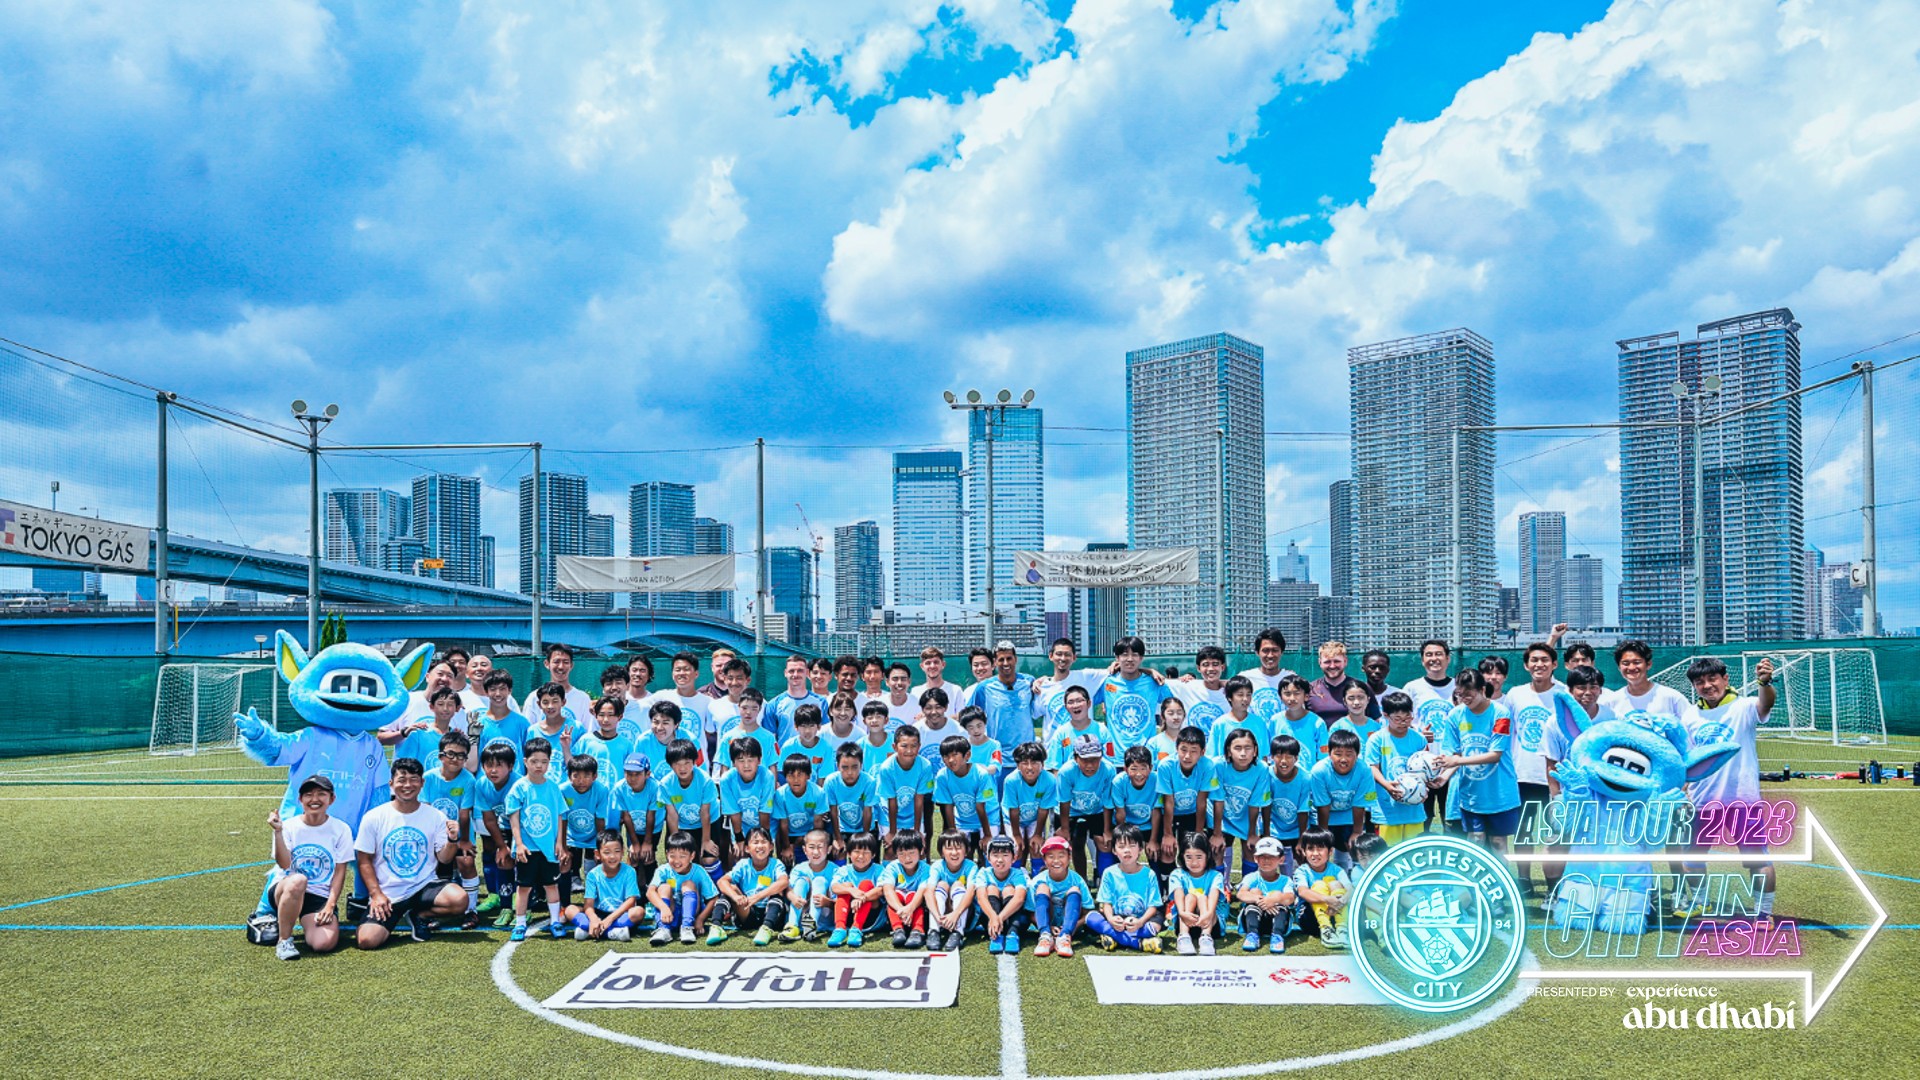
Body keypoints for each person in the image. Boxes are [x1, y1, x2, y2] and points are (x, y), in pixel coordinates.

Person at [1677, 656, 1777, 918]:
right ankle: (1701, 902)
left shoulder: (1743, 707)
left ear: (1725, 679)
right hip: (1702, 801)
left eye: (1712, 679)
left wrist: (1765, 683)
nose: (1707, 686)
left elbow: (1766, 704)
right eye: (1700, 682)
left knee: (1758, 861)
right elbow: (1689, 757)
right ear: (1694, 686)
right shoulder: (1689, 715)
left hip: (1742, 800)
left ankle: (1763, 914)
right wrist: (1683, 789)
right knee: (1691, 858)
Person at [354, 757, 466, 949]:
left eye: (414, 779)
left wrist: (453, 840)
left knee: (459, 899)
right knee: (367, 940)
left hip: (424, 886)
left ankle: (419, 915)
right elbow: (364, 860)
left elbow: (444, 858)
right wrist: (377, 894)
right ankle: (394, 914)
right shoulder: (374, 817)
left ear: (422, 783)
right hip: (389, 893)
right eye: (401, 780)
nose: (408, 785)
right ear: (391, 784)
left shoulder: (435, 816)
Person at [266, 775, 353, 959]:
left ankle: (297, 920)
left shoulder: (341, 829)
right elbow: (284, 864)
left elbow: (339, 872)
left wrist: (330, 906)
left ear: (332, 799)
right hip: (287, 888)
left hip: (318, 895)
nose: (314, 799)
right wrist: (278, 832)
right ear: (300, 800)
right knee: (298, 880)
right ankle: (284, 941)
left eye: (321, 794)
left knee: (323, 944)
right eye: (308, 795)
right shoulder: (289, 826)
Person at [1435, 669, 1519, 856]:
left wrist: (1456, 760)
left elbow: (1495, 754)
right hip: (1471, 794)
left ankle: (1501, 882)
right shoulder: (1455, 716)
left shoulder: (1501, 713)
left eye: (1469, 694)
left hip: (1499, 792)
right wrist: (1443, 778)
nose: (1465, 698)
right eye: (1460, 694)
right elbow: (1453, 755)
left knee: (1498, 842)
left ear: (1482, 689)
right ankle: (1473, 885)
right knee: (1475, 839)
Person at [1504, 642, 1565, 895]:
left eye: (1544, 660)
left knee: (1557, 834)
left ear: (1554, 665)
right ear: (1526, 665)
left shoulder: (1564, 693)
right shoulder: (1515, 694)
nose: (1539, 664)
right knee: (1524, 832)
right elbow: (1507, 732)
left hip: (1557, 777)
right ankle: (1524, 880)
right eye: (1534, 660)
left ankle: (1557, 883)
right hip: (1523, 774)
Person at [505, 737, 570, 942]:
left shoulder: (553, 787)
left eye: (543, 761)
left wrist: (559, 843)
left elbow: (560, 815)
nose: (539, 766)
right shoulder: (519, 788)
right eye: (534, 761)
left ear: (549, 762)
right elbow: (514, 819)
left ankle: (554, 921)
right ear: (525, 761)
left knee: (551, 886)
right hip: (528, 849)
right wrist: (519, 844)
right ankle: (520, 923)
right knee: (524, 887)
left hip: (549, 848)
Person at [419, 731, 480, 926]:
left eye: (461, 755)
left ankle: (471, 910)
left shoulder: (468, 779)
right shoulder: (428, 778)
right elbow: (425, 811)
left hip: (461, 834)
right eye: (451, 754)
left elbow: (464, 813)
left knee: (466, 861)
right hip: (435, 834)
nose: (455, 759)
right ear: (441, 756)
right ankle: (435, 910)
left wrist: (463, 841)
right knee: (436, 868)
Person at [1365, 692, 1432, 847]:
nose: (1403, 723)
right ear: (1385, 715)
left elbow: (1425, 769)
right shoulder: (1376, 739)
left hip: (1414, 810)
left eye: (1408, 718)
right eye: (1398, 719)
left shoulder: (1418, 739)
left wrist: (1425, 788)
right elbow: (1372, 767)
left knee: (1413, 852)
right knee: (1387, 853)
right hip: (1387, 809)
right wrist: (1387, 786)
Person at [1088, 825, 1163, 953]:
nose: (1127, 850)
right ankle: (1138, 943)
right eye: (1121, 846)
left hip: (1141, 919)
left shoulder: (1149, 874)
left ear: (1140, 848)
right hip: (1118, 919)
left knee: (1155, 925)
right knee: (1090, 917)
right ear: (1114, 850)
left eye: (1132, 846)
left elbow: (1153, 906)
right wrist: (1111, 919)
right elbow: (1106, 903)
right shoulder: (1109, 873)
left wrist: (1140, 922)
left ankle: (1113, 937)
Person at [711, 826, 790, 946]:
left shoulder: (776, 864)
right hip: (747, 912)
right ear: (747, 848)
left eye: (764, 842)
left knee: (777, 891)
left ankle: (766, 929)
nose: (760, 846)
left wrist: (757, 897)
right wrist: (736, 897)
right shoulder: (743, 864)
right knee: (730, 888)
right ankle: (716, 926)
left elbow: (784, 882)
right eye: (755, 842)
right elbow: (722, 881)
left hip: (772, 913)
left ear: (771, 847)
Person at [1154, 726, 1217, 873]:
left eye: (1194, 751)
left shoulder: (1207, 766)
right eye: (1183, 750)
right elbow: (1168, 802)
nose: (1187, 756)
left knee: (1193, 849)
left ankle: (1191, 883)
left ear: (1202, 752)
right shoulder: (1166, 766)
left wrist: (1199, 832)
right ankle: (1166, 887)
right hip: (1168, 813)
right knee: (1168, 850)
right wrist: (1168, 834)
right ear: (1176, 748)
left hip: (1192, 813)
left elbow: (1202, 801)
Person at [1212, 727, 1273, 877]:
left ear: (1255, 750)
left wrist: (1252, 833)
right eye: (1237, 748)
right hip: (1221, 817)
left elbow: (1255, 803)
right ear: (1228, 750)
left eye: (1248, 748)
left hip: (1245, 816)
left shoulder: (1261, 769)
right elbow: (1218, 801)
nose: (1243, 753)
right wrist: (1217, 833)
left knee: (1251, 848)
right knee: (1217, 849)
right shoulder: (1218, 766)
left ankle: (1248, 887)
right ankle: (1221, 889)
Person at [1308, 728, 1373, 862]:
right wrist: (1324, 834)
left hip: (1349, 815)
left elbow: (1359, 804)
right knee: (1322, 847)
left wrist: (1356, 832)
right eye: (1338, 754)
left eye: (1349, 754)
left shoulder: (1364, 770)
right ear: (1329, 754)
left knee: (1350, 846)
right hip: (1325, 816)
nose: (1343, 759)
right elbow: (1323, 806)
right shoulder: (1319, 771)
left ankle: (1347, 870)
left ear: (1357, 755)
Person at [657, 738, 720, 872]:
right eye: (677, 764)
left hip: (708, 823)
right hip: (683, 825)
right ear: (670, 764)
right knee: (679, 859)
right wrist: (676, 843)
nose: (683, 768)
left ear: (694, 762)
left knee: (708, 858)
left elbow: (705, 813)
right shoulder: (665, 784)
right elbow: (672, 815)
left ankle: (714, 887)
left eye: (687, 763)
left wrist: (706, 840)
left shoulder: (705, 781)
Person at [1056, 735, 1115, 879]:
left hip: (1098, 809)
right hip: (1072, 811)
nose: (1090, 765)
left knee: (1104, 842)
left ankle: (1103, 880)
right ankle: (1082, 882)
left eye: (1095, 760)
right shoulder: (1066, 772)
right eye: (1085, 760)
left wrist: (1107, 830)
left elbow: (1108, 802)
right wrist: (1065, 828)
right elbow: (1064, 802)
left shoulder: (1108, 770)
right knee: (1075, 841)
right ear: (1076, 758)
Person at [647, 830, 719, 946]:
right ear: (666, 854)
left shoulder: (698, 871)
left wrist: (700, 919)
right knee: (664, 887)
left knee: (688, 884)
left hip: (692, 917)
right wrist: (663, 907)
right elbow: (650, 892)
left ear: (692, 856)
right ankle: (663, 929)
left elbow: (713, 898)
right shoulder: (663, 870)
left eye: (682, 856)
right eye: (672, 856)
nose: (677, 861)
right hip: (669, 915)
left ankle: (686, 928)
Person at [566, 830, 640, 941]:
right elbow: (588, 905)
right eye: (607, 852)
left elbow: (631, 901)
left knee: (638, 912)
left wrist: (609, 919)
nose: (612, 856)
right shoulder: (593, 874)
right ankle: (612, 932)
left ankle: (590, 931)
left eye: (617, 851)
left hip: (619, 914)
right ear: (597, 854)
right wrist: (594, 919)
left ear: (623, 852)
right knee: (569, 910)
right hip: (598, 913)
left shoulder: (629, 871)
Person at [1602, 640, 1697, 727]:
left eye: (1637, 662)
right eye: (1626, 663)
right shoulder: (1611, 702)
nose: (1631, 667)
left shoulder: (1672, 697)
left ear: (1648, 664)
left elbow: (1691, 727)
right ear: (1619, 667)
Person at [933, 734, 1000, 853]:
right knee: (959, 853)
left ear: (967, 755)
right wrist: (953, 832)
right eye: (946, 756)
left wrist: (987, 834)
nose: (951, 760)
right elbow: (947, 805)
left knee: (990, 851)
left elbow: (981, 806)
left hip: (988, 817)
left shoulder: (980, 774)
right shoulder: (942, 776)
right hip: (963, 820)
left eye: (955, 755)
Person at [1031, 638, 1107, 743]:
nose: (1063, 658)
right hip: (1053, 751)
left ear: (1074, 658)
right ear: (1050, 656)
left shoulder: (1086, 677)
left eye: (1067, 654)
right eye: (1059, 654)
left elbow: (1113, 672)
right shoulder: (1042, 687)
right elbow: (1034, 714)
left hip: (1083, 750)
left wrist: (1113, 665)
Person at [972, 642, 1035, 768]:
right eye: (1001, 659)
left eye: (1009, 658)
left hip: (1027, 757)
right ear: (995, 662)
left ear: (1015, 659)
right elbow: (973, 718)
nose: (1006, 663)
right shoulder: (984, 688)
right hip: (997, 759)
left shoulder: (1029, 682)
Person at [1100, 636, 1169, 751]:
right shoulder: (1106, 682)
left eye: (1135, 654)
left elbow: (1177, 700)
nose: (1130, 659)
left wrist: (1185, 679)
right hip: (1115, 756)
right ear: (1117, 658)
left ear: (1141, 658)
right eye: (1125, 654)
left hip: (1146, 756)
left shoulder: (1154, 682)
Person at [1030, 834, 1092, 958]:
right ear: (1044, 860)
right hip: (1049, 923)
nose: (1056, 860)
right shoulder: (1037, 881)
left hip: (1071, 924)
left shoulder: (1077, 880)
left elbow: (1088, 913)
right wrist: (1049, 927)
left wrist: (1074, 926)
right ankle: (1045, 936)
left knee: (1074, 889)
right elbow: (1030, 913)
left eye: (1061, 856)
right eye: (1051, 856)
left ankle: (1065, 937)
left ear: (1069, 857)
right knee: (1042, 888)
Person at [1000, 741, 1056, 873]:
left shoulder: (1049, 780)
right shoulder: (1011, 780)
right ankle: (1017, 877)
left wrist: (1037, 834)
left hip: (1034, 818)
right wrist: (1017, 835)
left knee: (1036, 847)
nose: (1030, 767)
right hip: (1013, 820)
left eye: (1035, 763)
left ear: (1042, 764)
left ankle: (1037, 878)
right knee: (1017, 848)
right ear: (1018, 765)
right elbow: (1013, 810)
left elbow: (1044, 810)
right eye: (1025, 763)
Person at [1291, 826, 1351, 948]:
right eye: (1310, 849)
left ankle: (1342, 930)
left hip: (1335, 912)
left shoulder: (1337, 869)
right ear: (1304, 852)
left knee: (1335, 884)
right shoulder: (1302, 871)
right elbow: (1303, 892)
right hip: (1310, 918)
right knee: (1319, 885)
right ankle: (1326, 930)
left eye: (1320, 848)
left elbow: (1351, 889)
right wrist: (1327, 899)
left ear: (1330, 851)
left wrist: (1339, 902)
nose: (1315, 853)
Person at [874, 725, 933, 848]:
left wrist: (916, 831)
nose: (909, 750)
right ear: (894, 747)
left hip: (912, 815)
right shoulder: (886, 768)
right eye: (904, 746)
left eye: (914, 746)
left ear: (919, 746)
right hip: (888, 814)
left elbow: (919, 799)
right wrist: (892, 832)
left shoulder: (925, 765)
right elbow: (891, 800)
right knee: (891, 850)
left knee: (917, 848)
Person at [1236, 836, 1297, 954]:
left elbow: (1290, 898)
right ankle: (1252, 934)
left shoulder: (1285, 880)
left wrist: (1275, 899)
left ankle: (1277, 936)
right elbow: (1241, 894)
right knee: (1254, 893)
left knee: (1279, 896)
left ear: (1281, 859)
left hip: (1277, 920)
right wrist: (1260, 900)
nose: (1266, 860)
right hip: (1253, 918)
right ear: (1255, 858)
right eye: (1262, 857)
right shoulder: (1252, 877)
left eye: (1271, 857)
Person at [828, 831, 886, 948]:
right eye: (856, 852)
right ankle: (839, 928)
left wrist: (862, 897)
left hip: (871, 915)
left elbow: (881, 890)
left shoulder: (879, 870)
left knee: (866, 884)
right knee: (846, 886)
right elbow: (834, 887)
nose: (861, 856)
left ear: (873, 855)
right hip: (848, 913)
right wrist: (851, 891)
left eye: (866, 852)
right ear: (849, 854)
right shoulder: (844, 870)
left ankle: (856, 929)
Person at [718, 739, 776, 853]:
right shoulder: (726, 780)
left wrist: (764, 839)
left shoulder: (767, 776)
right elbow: (734, 812)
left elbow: (765, 811)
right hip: (741, 826)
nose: (746, 765)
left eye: (750, 760)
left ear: (759, 760)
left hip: (766, 825)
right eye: (740, 760)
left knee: (765, 854)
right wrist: (739, 838)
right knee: (738, 854)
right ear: (733, 762)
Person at [973, 834, 1029, 954]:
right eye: (995, 855)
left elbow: (1019, 898)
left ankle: (1012, 933)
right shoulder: (983, 873)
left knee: (1009, 889)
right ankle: (996, 935)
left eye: (1005, 855)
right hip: (990, 919)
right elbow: (981, 898)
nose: (1000, 859)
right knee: (992, 888)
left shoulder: (1018, 873)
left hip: (1014, 919)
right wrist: (993, 917)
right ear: (988, 858)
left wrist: (999, 918)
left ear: (1014, 858)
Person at [823, 742, 879, 857]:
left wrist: (864, 836)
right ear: (837, 766)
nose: (850, 772)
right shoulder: (831, 782)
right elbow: (833, 810)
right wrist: (837, 838)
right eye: (845, 767)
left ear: (861, 765)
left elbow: (867, 810)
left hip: (866, 827)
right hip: (843, 828)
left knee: (866, 854)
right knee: (839, 852)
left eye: (855, 767)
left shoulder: (869, 782)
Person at [1264, 734, 1311, 871]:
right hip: (1275, 828)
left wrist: (1302, 839)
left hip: (1297, 828)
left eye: (1289, 756)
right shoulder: (1267, 775)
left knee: (1301, 860)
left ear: (1296, 758)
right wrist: (1266, 833)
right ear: (1272, 757)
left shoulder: (1305, 778)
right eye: (1279, 756)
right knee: (1272, 861)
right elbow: (1266, 805)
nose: (1284, 761)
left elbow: (1303, 810)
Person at [614, 753, 660, 891]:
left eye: (637, 774)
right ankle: (633, 891)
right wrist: (634, 843)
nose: (633, 778)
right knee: (633, 855)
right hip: (633, 827)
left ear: (647, 774)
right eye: (629, 774)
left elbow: (650, 815)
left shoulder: (654, 787)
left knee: (647, 855)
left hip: (652, 829)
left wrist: (647, 842)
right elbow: (626, 816)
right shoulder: (619, 788)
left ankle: (653, 888)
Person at [783, 828, 838, 942]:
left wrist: (827, 902)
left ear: (829, 849)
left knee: (820, 881)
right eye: (812, 847)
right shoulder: (798, 869)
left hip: (825, 916)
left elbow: (840, 902)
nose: (816, 852)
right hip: (802, 913)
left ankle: (812, 925)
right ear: (804, 850)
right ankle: (792, 925)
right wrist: (792, 897)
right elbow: (788, 889)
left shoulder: (836, 871)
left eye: (820, 847)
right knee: (802, 881)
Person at [927, 830, 979, 950]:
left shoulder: (971, 866)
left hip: (962, 914)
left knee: (958, 885)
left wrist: (955, 914)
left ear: (966, 851)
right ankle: (934, 931)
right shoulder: (937, 866)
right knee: (942, 884)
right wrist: (937, 915)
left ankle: (957, 932)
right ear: (941, 852)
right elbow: (928, 892)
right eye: (949, 848)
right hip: (941, 915)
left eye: (959, 848)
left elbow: (971, 892)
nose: (954, 852)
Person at [879, 831, 932, 948]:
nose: (907, 858)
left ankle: (918, 930)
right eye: (901, 853)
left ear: (921, 851)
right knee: (896, 894)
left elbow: (922, 890)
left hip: (917, 908)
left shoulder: (926, 869)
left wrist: (910, 908)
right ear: (896, 853)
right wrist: (902, 911)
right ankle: (898, 929)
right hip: (899, 911)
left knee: (914, 895)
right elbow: (887, 890)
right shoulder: (892, 867)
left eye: (912, 853)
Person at [1166, 645, 1231, 737]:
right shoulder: (1186, 686)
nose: (1210, 669)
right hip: (1191, 750)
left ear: (1223, 667)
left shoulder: (1232, 692)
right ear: (1198, 668)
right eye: (1205, 664)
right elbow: (1154, 680)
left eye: (1215, 664)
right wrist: (1150, 671)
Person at [772, 753, 826, 862]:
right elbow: (783, 823)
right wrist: (787, 846)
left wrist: (812, 842)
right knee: (785, 857)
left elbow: (818, 822)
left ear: (808, 775)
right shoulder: (780, 795)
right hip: (789, 834)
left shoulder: (818, 793)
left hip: (810, 832)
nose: (795, 780)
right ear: (785, 776)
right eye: (791, 775)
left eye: (800, 774)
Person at [523, 644, 592, 727]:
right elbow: (528, 732)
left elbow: (588, 733)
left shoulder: (583, 699)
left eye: (566, 662)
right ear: (546, 664)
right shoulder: (533, 698)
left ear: (571, 665)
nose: (561, 667)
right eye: (556, 662)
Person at [1046, 685, 1114, 768]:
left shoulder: (1103, 731)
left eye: (1079, 701)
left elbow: (1110, 763)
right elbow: (1054, 767)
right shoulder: (1060, 734)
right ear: (1066, 707)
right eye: (1070, 702)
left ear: (1089, 704)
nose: (1075, 705)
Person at [715, 688, 779, 778]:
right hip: (735, 790)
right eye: (744, 708)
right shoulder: (728, 737)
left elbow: (772, 767)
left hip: (762, 789)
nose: (748, 712)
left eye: (754, 708)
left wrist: (771, 789)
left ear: (760, 709)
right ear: (738, 707)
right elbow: (725, 767)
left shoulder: (768, 737)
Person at [576, 697, 637, 789]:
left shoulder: (626, 745)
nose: (605, 720)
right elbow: (573, 765)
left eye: (610, 715)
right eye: (601, 715)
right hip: (590, 797)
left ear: (620, 717)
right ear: (595, 715)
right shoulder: (586, 740)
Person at [394, 688, 465, 767]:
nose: (445, 708)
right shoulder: (418, 734)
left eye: (450, 705)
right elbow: (405, 765)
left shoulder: (456, 738)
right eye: (440, 704)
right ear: (431, 707)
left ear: (457, 708)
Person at [1274, 674, 1329, 775]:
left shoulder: (1317, 723)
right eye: (1287, 693)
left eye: (1297, 693)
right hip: (1281, 779)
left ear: (1306, 696)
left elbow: (1323, 757)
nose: (1292, 698)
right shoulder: (1275, 721)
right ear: (1281, 697)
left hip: (1308, 779)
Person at [768, 656, 828, 744]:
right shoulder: (774, 704)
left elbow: (826, 733)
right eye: (791, 671)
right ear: (785, 673)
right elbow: (770, 739)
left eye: (800, 671)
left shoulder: (821, 702)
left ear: (807, 673)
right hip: (785, 757)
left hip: (813, 756)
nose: (795, 675)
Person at [1306, 642, 1371, 722]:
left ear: (1345, 661)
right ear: (1320, 662)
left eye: (1336, 661)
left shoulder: (1361, 688)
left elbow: (1375, 722)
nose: (1332, 666)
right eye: (1327, 662)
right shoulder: (1310, 689)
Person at [525, 683, 584, 768]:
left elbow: (583, 763)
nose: (550, 706)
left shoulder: (576, 727)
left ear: (563, 702)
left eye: (555, 701)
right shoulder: (533, 731)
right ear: (539, 704)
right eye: (545, 702)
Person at [1204, 676, 1261, 761]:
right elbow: (1211, 757)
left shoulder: (1259, 723)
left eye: (1248, 695)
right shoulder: (1219, 724)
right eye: (1240, 695)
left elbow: (1263, 756)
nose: (1245, 699)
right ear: (1229, 697)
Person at [779, 704, 831, 777]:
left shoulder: (826, 748)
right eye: (803, 726)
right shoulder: (788, 746)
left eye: (811, 726)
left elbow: (823, 778)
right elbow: (782, 774)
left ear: (819, 726)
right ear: (796, 726)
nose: (807, 731)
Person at [1328, 681, 1382, 752]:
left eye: (1361, 697)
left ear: (1368, 700)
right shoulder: (1337, 727)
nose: (1356, 702)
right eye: (1351, 698)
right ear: (1344, 701)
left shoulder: (1376, 727)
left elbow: (1383, 752)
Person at [959, 705, 1004, 776]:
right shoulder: (962, 746)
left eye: (979, 726)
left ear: (985, 723)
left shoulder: (995, 745)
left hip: (987, 786)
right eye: (971, 727)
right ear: (965, 729)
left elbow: (995, 767)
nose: (976, 731)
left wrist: (976, 769)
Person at [880, 662, 920, 727]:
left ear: (909, 682)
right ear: (887, 682)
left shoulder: (918, 704)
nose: (899, 683)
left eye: (903, 679)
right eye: (895, 679)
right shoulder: (879, 704)